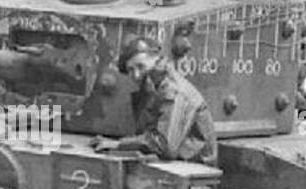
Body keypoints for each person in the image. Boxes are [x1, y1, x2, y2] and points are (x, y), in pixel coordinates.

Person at [91, 37, 217, 165]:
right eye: (130, 70)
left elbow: (165, 145)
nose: (136, 75)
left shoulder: (174, 91)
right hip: (179, 163)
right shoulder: (154, 87)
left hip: (195, 169)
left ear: (156, 59)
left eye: (141, 66)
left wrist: (120, 144)